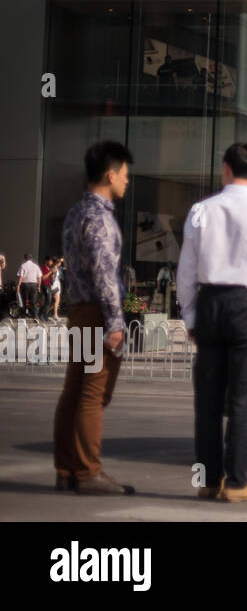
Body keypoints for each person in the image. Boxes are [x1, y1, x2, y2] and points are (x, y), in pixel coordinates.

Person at [178, 143, 247, 503]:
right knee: (243, 398)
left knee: (207, 401)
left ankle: (208, 481)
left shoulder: (200, 211)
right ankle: (237, 482)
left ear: (224, 168)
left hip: (210, 301)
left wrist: (190, 313)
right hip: (246, 302)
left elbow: (186, 269)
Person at [53, 141, 135, 495]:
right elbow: (105, 272)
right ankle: (88, 472)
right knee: (92, 394)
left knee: (74, 391)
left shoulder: (75, 213)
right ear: (109, 174)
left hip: (79, 310)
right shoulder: (100, 217)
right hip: (97, 314)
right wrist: (116, 321)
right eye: (125, 174)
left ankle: (66, 468)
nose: (127, 182)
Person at [17, 254, 42, 320]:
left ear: (25, 259)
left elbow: (21, 277)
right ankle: (35, 316)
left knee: (23, 300)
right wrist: (39, 286)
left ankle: (23, 316)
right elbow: (39, 277)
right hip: (34, 285)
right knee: (33, 301)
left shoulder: (23, 266)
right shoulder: (36, 266)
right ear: (31, 259)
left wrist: (18, 285)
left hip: (25, 285)